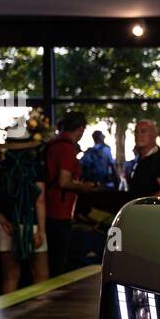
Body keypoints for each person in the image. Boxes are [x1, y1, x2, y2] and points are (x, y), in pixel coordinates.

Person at [0, 121, 48, 293]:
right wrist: (41, 230)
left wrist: (2, 220)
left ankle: (9, 317)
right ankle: (40, 314)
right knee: (40, 274)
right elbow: (40, 201)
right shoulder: (35, 169)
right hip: (32, 225)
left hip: (6, 227)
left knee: (10, 276)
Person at [44, 111, 98, 275]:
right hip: (60, 210)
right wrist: (84, 187)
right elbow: (64, 181)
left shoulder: (53, 145)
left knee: (53, 256)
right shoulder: (67, 148)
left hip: (49, 206)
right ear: (81, 128)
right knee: (59, 259)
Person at [126, 119, 160, 198]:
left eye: (143, 131)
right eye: (136, 132)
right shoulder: (140, 159)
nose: (138, 135)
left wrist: (140, 206)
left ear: (154, 135)